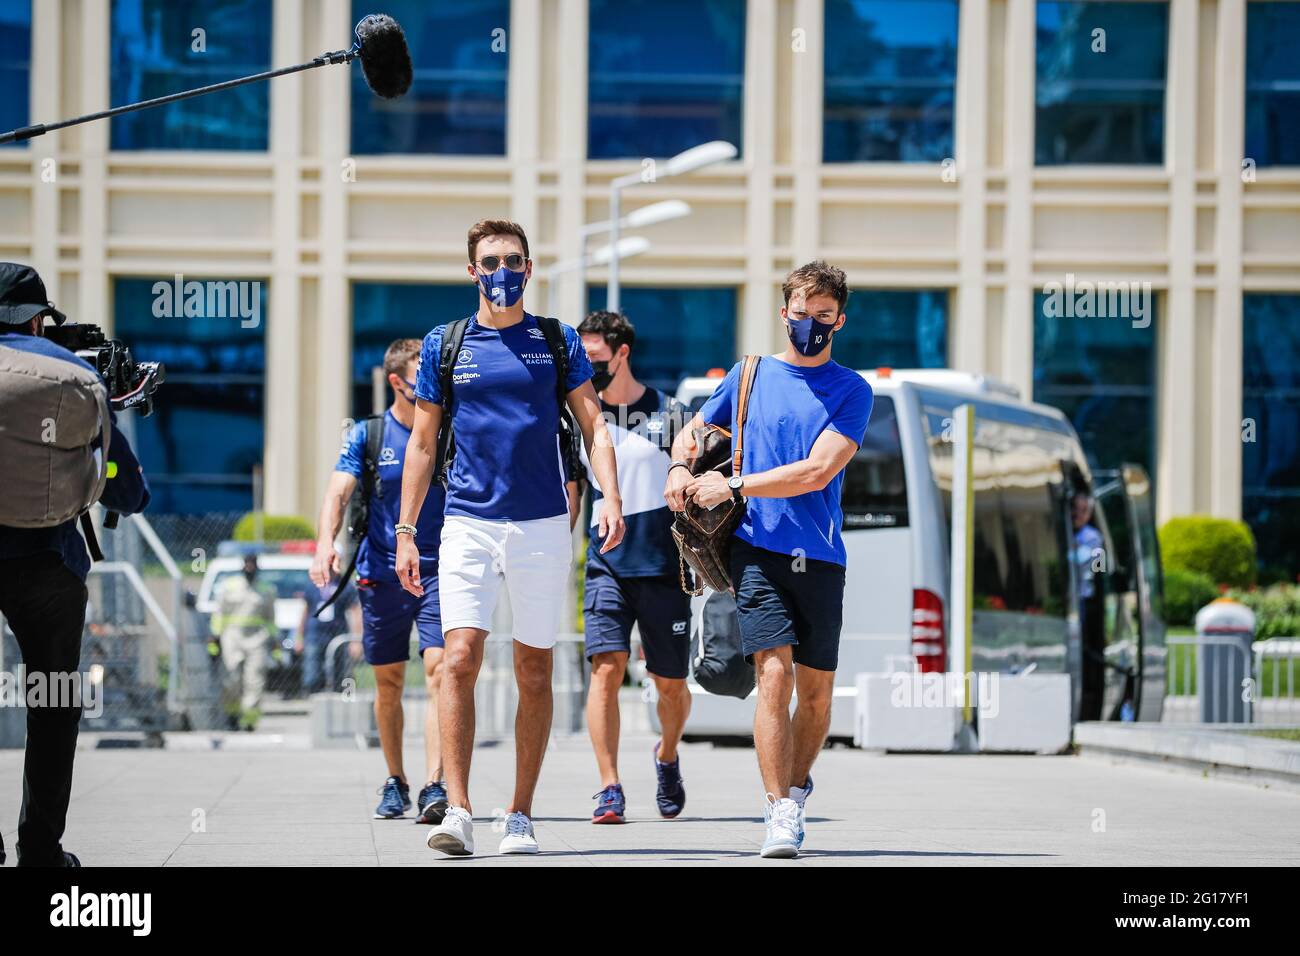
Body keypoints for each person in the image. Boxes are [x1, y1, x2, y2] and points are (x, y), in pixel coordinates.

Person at [397, 219, 625, 857]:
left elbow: (594, 426)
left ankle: (520, 813)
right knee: (460, 658)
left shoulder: (555, 340)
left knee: (533, 667)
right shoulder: (447, 343)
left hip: (543, 524)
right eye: (491, 260)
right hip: (466, 521)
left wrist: (608, 495)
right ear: (472, 269)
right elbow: (421, 442)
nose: (503, 270)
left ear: (530, 268)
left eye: (514, 260)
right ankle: (460, 810)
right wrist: (408, 530)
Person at [664, 260, 873, 859]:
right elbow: (695, 430)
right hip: (757, 550)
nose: (811, 324)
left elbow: (817, 470)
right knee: (772, 675)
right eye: (801, 313)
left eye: (824, 316)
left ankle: (798, 786)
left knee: (817, 696)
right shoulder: (749, 374)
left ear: (840, 320)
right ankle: (779, 809)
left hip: (822, 557)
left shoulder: (852, 390)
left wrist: (734, 486)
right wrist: (681, 465)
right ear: (785, 313)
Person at [0, 262, 150, 867]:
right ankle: (40, 848)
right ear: (38, 318)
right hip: (48, 562)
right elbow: (127, 492)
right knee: (54, 701)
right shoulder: (74, 375)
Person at [311, 338, 449, 824]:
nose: (432, 386)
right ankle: (396, 779)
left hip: (438, 570)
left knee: (439, 671)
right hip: (380, 574)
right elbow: (338, 490)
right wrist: (324, 542)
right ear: (397, 382)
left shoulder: (446, 432)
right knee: (388, 680)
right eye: (421, 378)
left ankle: (436, 783)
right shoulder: (368, 436)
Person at [576, 310, 692, 824]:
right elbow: (571, 492)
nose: (590, 368)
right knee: (607, 668)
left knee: (669, 683)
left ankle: (667, 754)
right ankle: (609, 786)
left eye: (597, 358)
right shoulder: (577, 415)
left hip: (665, 568)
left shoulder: (672, 413)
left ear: (623, 353)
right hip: (606, 565)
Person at [212, 553, 278, 731]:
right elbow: (219, 613)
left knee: (254, 680)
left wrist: (274, 642)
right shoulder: (229, 586)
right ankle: (232, 715)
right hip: (232, 636)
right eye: (247, 564)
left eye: (253, 564)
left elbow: (271, 620)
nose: (250, 568)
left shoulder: (266, 589)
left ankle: (249, 719)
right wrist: (215, 638)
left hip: (256, 638)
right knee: (230, 678)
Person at [296, 576, 360, 694]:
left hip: (338, 636)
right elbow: (305, 611)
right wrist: (299, 637)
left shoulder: (345, 585)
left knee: (341, 674)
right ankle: (313, 700)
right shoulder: (313, 585)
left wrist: (355, 641)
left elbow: (355, 611)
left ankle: (339, 702)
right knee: (312, 673)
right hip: (314, 635)